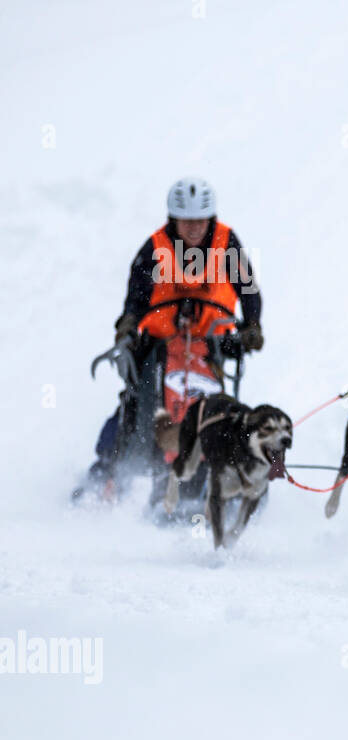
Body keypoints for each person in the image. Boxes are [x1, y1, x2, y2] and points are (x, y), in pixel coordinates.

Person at [76, 177, 265, 500]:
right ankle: (108, 473)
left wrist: (252, 327)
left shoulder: (227, 244)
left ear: (211, 219)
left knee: (218, 411)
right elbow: (135, 298)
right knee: (137, 403)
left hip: (212, 347)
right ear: (173, 219)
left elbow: (249, 292)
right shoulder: (155, 248)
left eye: (200, 221)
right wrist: (128, 326)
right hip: (159, 344)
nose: (193, 229)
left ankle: (230, 478)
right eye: (186, 221)